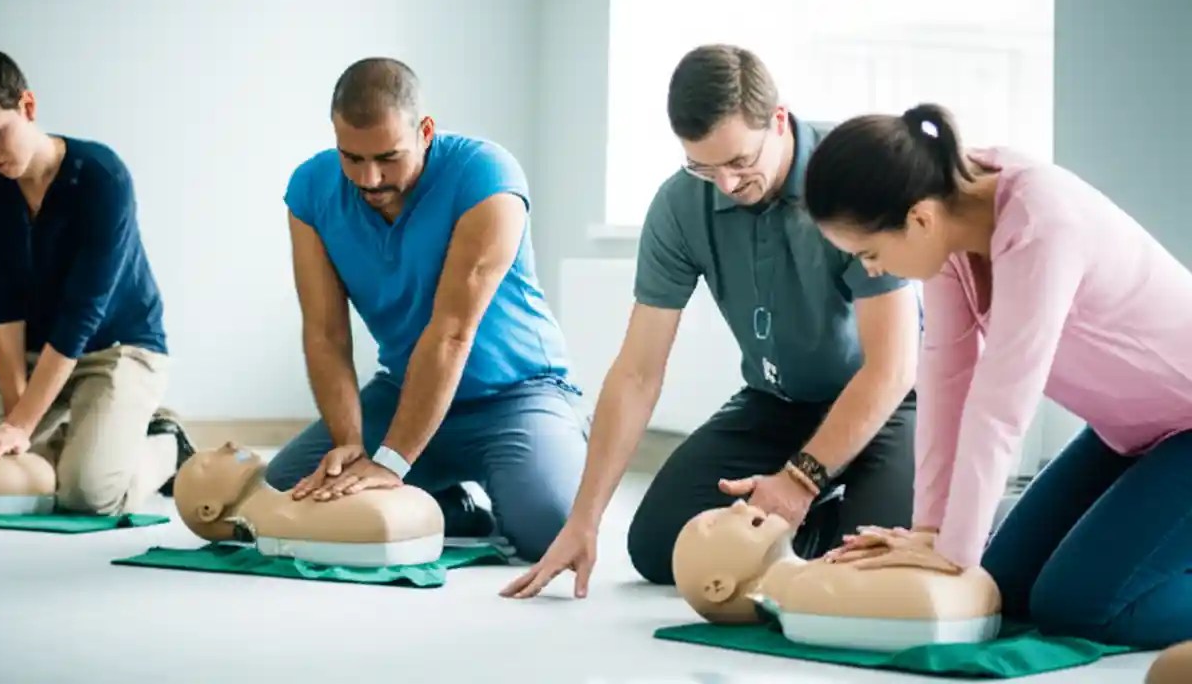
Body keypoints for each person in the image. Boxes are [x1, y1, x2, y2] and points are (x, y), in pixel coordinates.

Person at [501, 44, 921, 599]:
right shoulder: (680, 206)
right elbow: (636, 373)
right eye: (703, 165)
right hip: (778, 402)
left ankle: (866, 507)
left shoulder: (851, 174)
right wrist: (583, 519)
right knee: (656, 547)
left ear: (777, 121)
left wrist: (799, 481)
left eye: (739, 162)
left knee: (866, 568)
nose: (724, 183)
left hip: (887, 403)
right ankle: (815, 524)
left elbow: (891, 369)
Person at [805, 102, 1192, 649]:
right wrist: (931, 534)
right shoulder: (947, 226)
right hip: (1130, 433)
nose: (869, 269)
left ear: (918, 219)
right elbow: (945, 378)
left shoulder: (1042, 222)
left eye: (869, 252)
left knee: (1080, 609)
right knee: (1002, 587)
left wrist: (953, 550)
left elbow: (1000, 403)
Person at [263, 57, 588, 563]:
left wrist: (390, 462)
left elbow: (453, 332)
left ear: (426, 131)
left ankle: (549, 449)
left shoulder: (486, 175)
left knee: (548, 530)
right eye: (351, 158)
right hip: (405, 391)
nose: (369, 178)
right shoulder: (311, 190)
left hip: (517, 395)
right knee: (288, 492)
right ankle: (446, 503)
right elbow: (325, 332)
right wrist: (350, 444)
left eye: (388, 158)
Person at [0, 46, 192, 515]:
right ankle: (75, 440)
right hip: (34, 353)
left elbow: (82, 314)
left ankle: (164, 442)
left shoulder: (101, 177)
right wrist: (19, 422)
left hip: (119, 348)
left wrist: (23, 426)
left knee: (88, 495)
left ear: (27, 107)